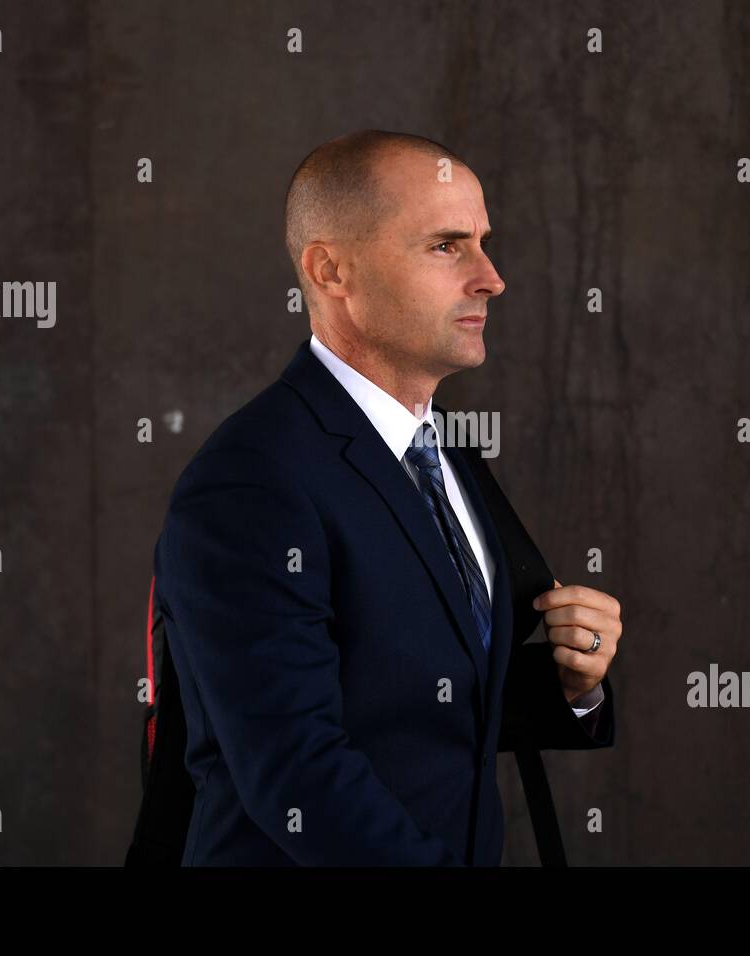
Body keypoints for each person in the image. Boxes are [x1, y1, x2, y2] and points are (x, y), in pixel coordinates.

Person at [153, 129, 624, 866]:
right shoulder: (252, 480)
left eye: (482, 242)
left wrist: (574, 684)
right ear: (332, 270)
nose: (491, 277)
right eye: (446, 246)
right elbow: (296, 770)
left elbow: (421, 696)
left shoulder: (446, 455)